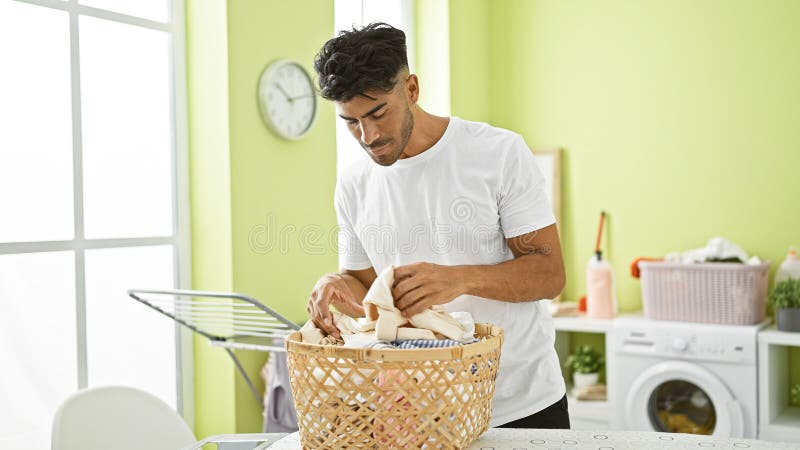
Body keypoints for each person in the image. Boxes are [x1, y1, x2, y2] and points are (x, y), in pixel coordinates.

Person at [307, 22, 569, 429]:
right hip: (417, 410)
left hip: (520, 404)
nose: (368, 135)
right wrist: (337, 282)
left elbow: (549, 275)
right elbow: (366, 285)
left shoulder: (498, 153)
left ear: (411, 89)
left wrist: (458, 279)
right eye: (351, 122)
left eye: (378, 112)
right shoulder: (354, 183)